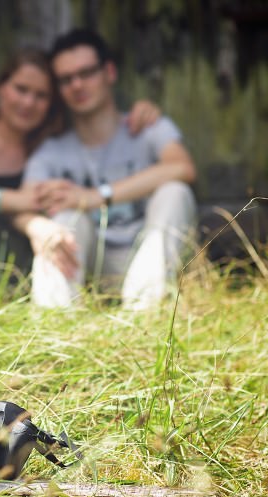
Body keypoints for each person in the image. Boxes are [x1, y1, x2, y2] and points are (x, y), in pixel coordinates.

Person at [0, 46, 162, 297]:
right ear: (1, 88)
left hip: (18, 255)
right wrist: (23, 202)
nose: (28, 102)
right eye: (21, 89)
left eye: (41, 96)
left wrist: (145, 111)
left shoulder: (49, 149)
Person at [12, 29, 198, 310]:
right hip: (90, 262)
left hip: (150, 255)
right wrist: (37, 227)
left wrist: (95, 196)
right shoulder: (52, 151)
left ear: (109, 72)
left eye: (86, 73)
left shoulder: (146, 127)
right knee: (64, 217)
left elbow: (182, 167)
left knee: (175, 192)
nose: (77, 85)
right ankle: (55, 323)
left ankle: (144, 312)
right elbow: (23, 202)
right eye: (66, 79)